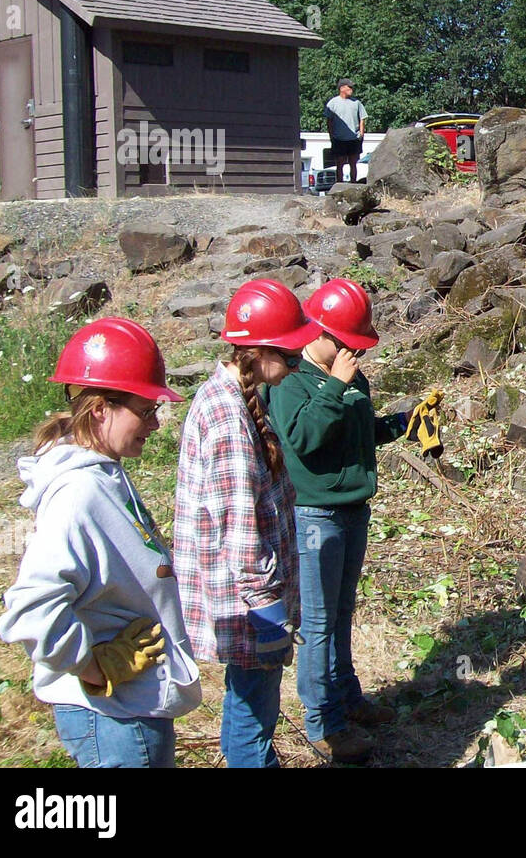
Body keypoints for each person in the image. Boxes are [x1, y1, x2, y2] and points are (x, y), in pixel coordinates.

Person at [0, 318, 198, 768]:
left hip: (132, 704)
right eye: (145, 411)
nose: (156, 424)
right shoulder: (79, 494)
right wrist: (93, 667)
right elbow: (31, 608)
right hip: (113, 714)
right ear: (100, 409)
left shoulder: (105, 474)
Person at [173, 279, 320, 768]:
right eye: (290, 355)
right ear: (257, 352)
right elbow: (240, 532)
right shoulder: (227, 418)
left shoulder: (238, 399)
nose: (297, 364)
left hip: (250, 599)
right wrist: (268, 612)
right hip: (248, 603)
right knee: (253, 720)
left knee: (249, 704)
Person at [267, 278, 409, 764]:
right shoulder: (291, 380)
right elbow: (303, 439)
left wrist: (402, 424)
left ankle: (348, 698)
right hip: (315, 515)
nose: (356, 354)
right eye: (349, 344)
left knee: (342, 611)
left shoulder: (348, 377)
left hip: (352, 508)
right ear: (321, 334)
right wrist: (335, 385)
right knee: (319, 621)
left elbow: (357, 434)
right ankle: (322, 722)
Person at [324, 78, 367, 184]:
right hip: (339, 138)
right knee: (340, 163)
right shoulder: (333, 103)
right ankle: (339, 184)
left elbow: (362, 118)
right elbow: (329, 120)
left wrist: (361, 133)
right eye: (349, 87)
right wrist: (332, 135)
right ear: (342, 88)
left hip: (354, 138)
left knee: (353, 163)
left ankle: (353, 184)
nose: (352, 89)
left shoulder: (357, 103)